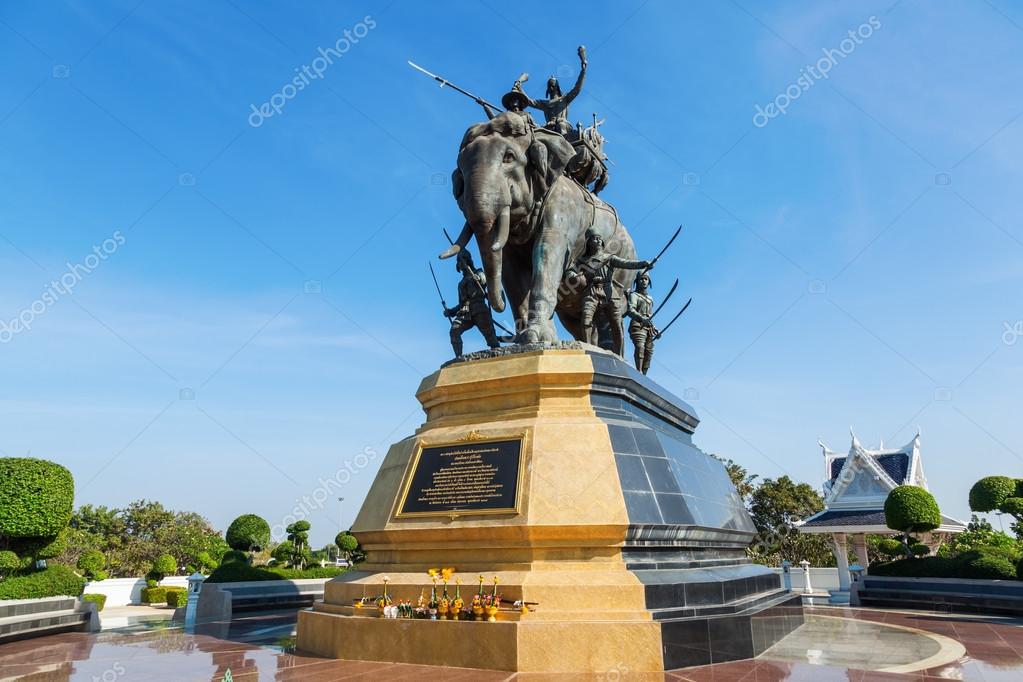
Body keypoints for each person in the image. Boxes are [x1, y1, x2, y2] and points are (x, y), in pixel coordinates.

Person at [565, 229, 652, 356]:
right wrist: (572, 275)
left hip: (609, 291)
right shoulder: (582, 261)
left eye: (600, 238)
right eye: (595, 238)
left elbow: (626, 264)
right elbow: (570, 271)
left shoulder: (609, 258)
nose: (598, 241)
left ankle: (619, 355)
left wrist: (642, 264)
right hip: (592, 291)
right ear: (588, 242)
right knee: (586, 320)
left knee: (616, 324)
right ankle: (589, 349)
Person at [444, 250, 500, 356]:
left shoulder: (478, 272)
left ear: (468, 260)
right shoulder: (460, 284)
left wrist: (478, 278)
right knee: (454, 331)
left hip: (479, 309)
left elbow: (484, 279)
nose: (461, 263)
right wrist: (451, 311)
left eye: (463, 260)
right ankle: (458, 358)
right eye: (459, 261)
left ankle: (498, 353)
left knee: (490, 337)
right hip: (465, 313)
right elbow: (461, 303)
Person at [526, 46, 587, 137]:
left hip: (563, 126)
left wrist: (583, 71)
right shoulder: (544, 104)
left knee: (560, 125)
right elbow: (529, 101)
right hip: (549, 127)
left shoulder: (565, 99)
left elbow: (577, 88)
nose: (551, 87)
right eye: (549, 86)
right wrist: (519, 90)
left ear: (557, 87)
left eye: (553, 85)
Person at [625, 273, 657, 374]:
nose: (643, 281)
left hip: (648, 327)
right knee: (640, 347)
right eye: (641, 279)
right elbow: (630, 310)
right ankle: (638, 371)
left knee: (649, 352)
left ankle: (643, 375)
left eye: (646, 279)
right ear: (637, 281)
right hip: (638, 325)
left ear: (649, 282)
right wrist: (641, 318)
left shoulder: (650, 299)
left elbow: (650, 316)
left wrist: (655, 329)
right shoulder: (634, 295)